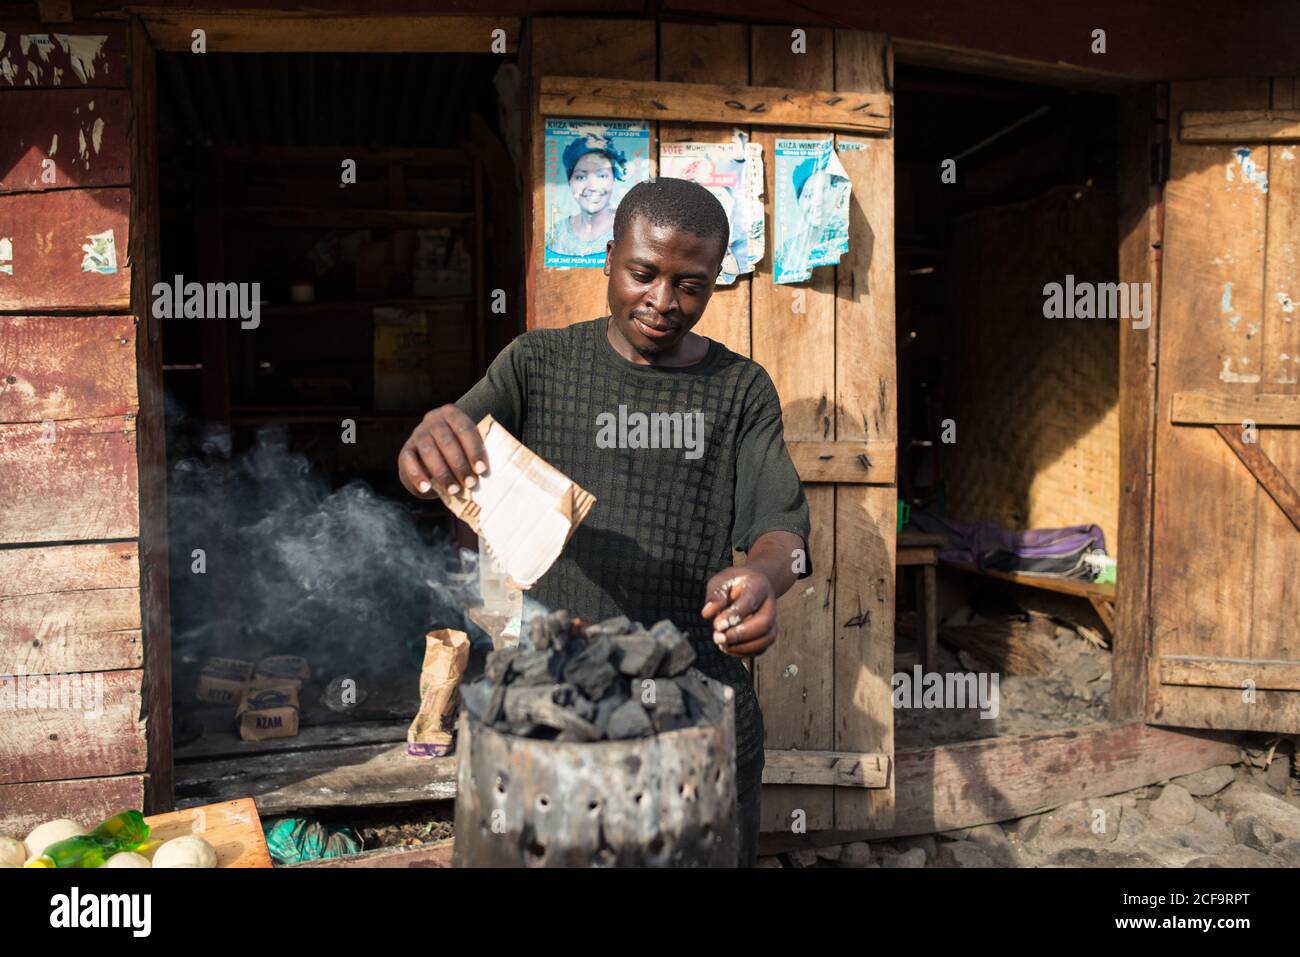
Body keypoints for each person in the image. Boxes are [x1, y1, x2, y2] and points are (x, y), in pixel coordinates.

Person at [398, 177, 812, 867]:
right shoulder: (537, 364)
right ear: (609, 258)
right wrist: (423, 449)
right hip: (561, 701)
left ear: (714, 283)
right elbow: (429, 461)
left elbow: (783, 533)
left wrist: (765, 576)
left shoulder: (741, 390)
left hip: (698, 708)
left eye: (691, 284)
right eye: (643, 273)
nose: (662, 302)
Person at [545, 134, 627, 258]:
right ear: (570, 182)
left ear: (613, 179)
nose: (592, 186)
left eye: (602, 176)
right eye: (581, 177)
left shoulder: (628, 230)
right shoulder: (556, 234)